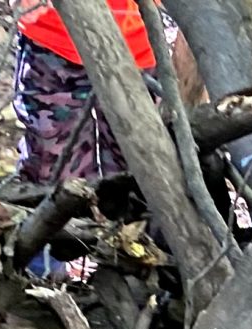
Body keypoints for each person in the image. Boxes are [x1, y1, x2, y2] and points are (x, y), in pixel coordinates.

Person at [12, 0, 158, 191]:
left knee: (137, 164)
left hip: (138, 43)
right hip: (55, 39)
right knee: (53, 169)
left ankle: (119, 214)